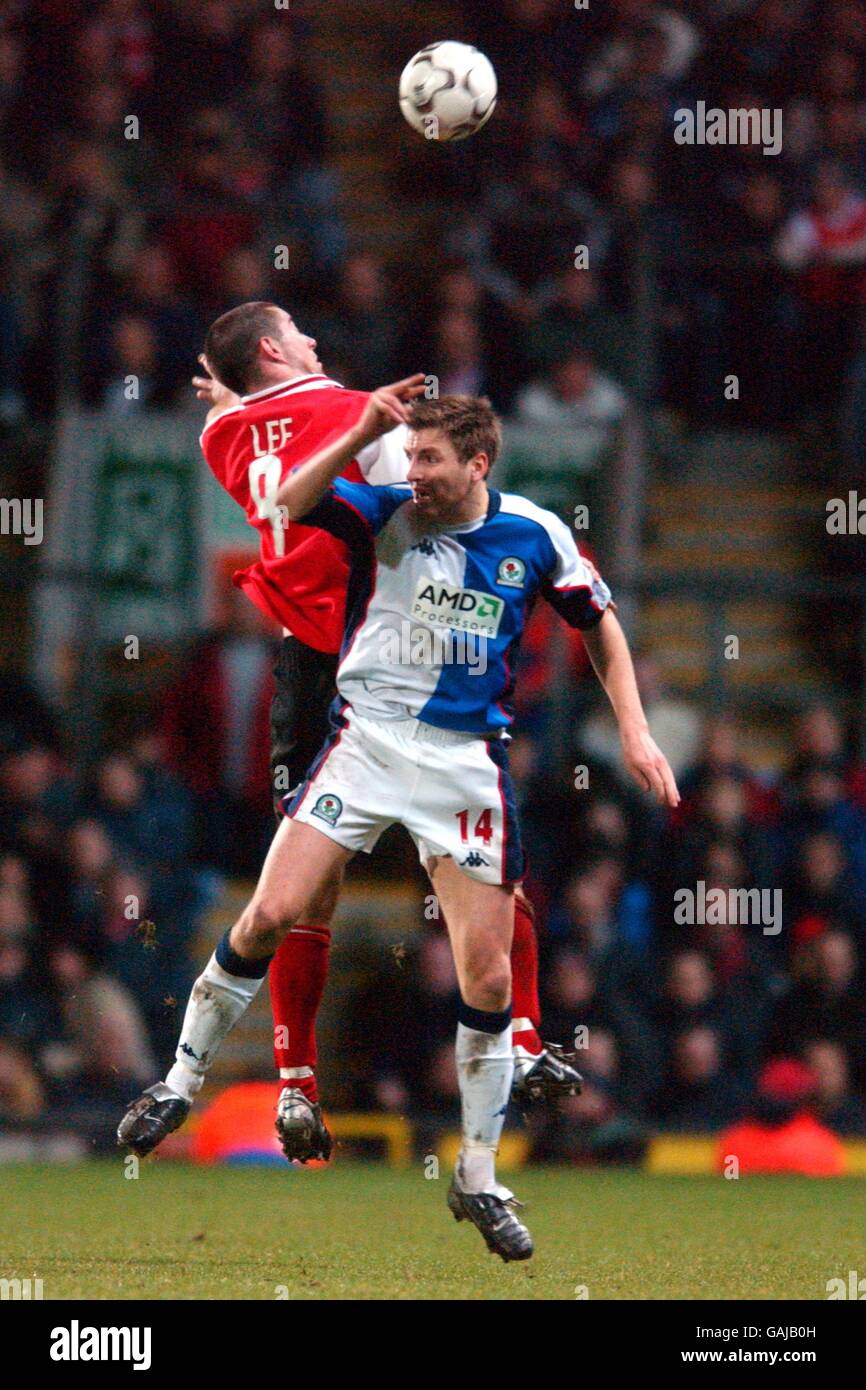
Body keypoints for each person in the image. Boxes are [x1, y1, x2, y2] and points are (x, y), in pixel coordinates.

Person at [120, 390, 679, 1261]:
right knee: (270, 913)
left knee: (486, 979)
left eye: (429, 459)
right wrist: (364, 429)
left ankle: (480, 1180)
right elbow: (287, 504)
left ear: (478, 465)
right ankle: (176, 1084)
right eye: (408, 456)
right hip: (367, 743)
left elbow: (598, 621)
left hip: (463, 764)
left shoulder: (535, 535)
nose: (411, 473)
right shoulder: (382, 511)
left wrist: (637, 732)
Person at [163, 300, 583, 1164]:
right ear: (279, 348)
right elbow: (431, 506)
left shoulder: (222, 434)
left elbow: (267, 439)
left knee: (326, 897)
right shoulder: (366, 418)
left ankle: (306, 1082)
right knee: (455, 873)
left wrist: (230, 395)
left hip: (325, 666)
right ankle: (513, 1041)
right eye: (301, 329)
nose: (319, 337)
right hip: (379, 665)